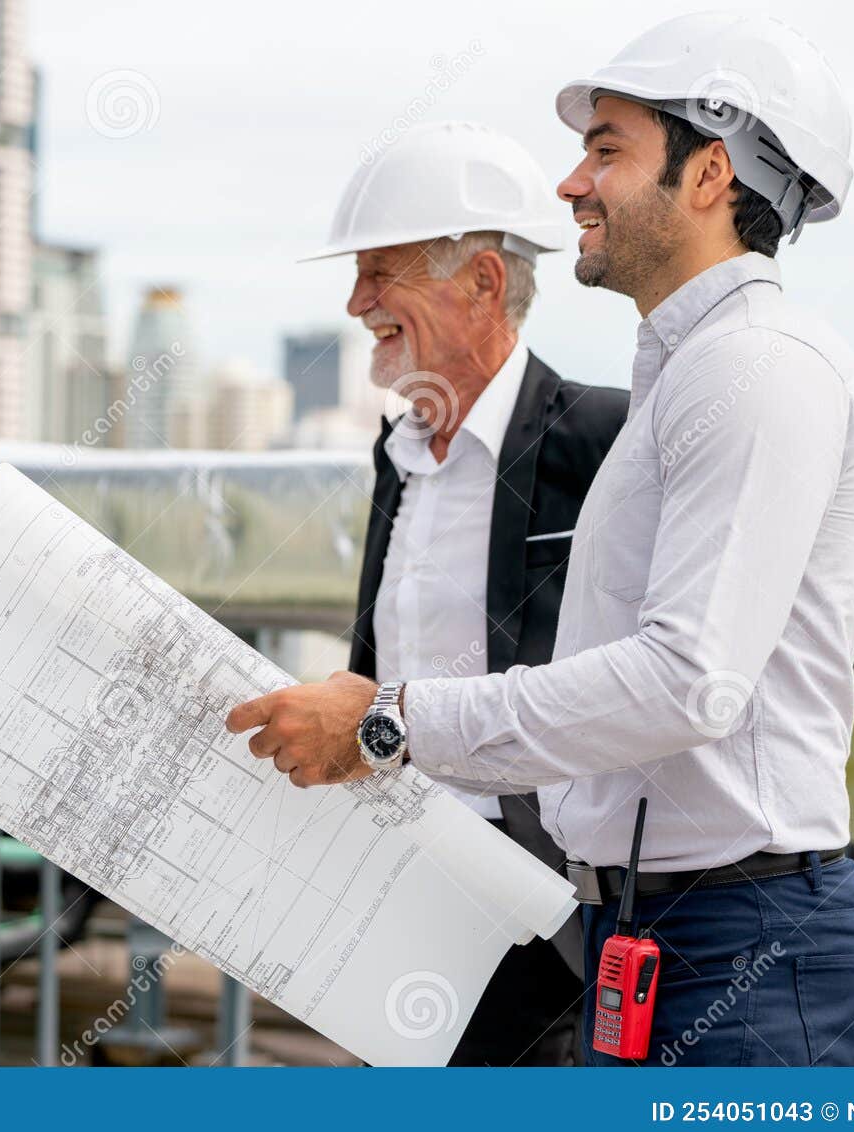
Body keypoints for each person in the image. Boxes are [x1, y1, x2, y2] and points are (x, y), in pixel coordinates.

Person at [227, 12, 854, 1067]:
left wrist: (390, 723)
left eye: (606, 149)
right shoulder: (688, 375)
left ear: (710, 171)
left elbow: (687, 682)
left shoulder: (756, 368)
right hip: (659, 929)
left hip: (743, 938)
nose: (571, 185)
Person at [303, 121, 627, 1064]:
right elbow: (382, 669)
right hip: (400, 882)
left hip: (543, 912)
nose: (358, 301)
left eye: (380, 273)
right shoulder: (398, 456)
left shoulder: (601, 440)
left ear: (482, 281)